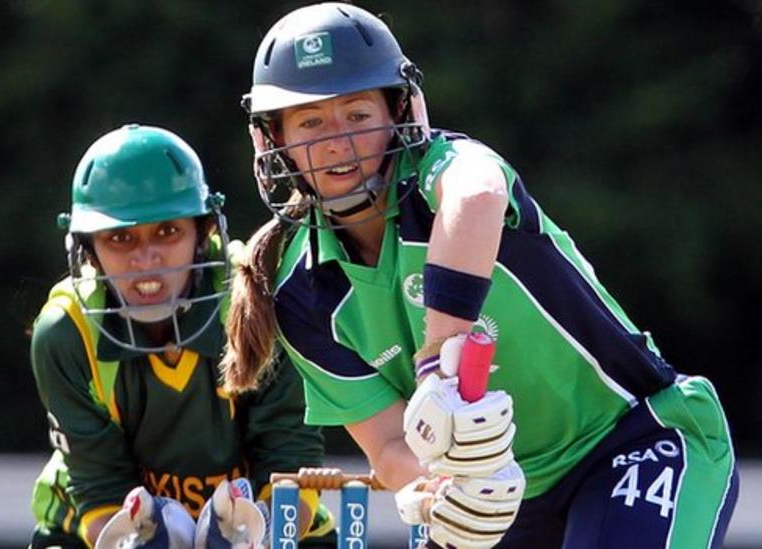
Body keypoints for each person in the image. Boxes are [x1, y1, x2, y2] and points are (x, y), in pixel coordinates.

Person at [221, 3, 739, 548]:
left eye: (357, 114)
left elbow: (477, 195)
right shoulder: (299, 295)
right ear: (271, 139)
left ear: (401, 112)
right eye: (311, 122)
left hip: (634, 435)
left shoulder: (446, 172)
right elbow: (392, 444)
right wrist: (432, 490)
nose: (336, 142)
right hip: (498, 495)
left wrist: (439, 364)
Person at [28, 124, 335, 548]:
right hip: (104, 531)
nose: (146, 259)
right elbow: (98, 488)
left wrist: (257, 535)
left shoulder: (262, 298)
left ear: (204, 230)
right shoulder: (65, 332)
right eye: (120, 238)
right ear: (88, 249)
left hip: (253, 522)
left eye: (168, 231)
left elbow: (289, 460)